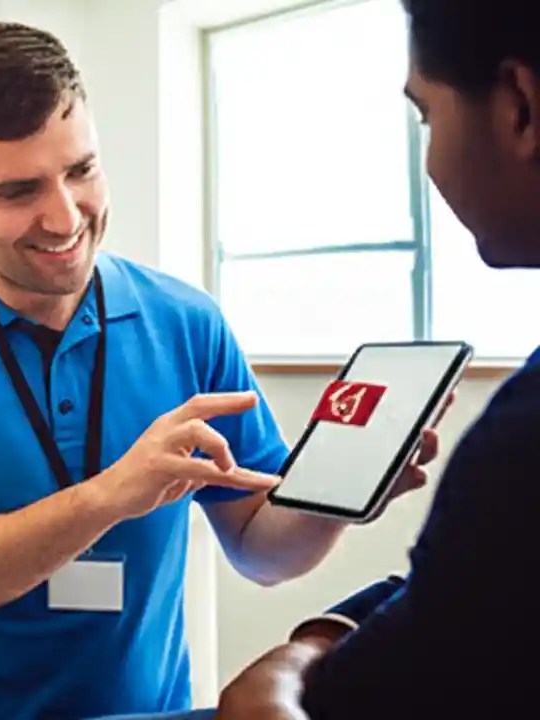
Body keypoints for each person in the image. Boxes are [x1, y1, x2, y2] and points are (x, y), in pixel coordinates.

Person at [0, 21, 440, 720]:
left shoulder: (186, 322)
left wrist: (335, 495)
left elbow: (260, 549)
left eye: (81, 171)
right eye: (19, 191)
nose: (64, 217)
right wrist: (111, 496)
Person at [215, 1, 540, 718]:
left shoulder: (519, 444)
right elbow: (459, 594)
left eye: (426, 116)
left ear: (518, 106)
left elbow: (415, 652)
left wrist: (284, 669)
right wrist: (324, 633)